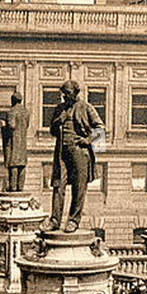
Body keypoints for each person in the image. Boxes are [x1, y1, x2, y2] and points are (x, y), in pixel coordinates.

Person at [46, 80, 103, 234]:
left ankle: (73, 220)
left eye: (67, 94)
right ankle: (55, 220)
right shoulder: (60, 109)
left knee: (79, 187)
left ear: (75, 93)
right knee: (58, 185)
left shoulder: (86, 107)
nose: (64, 97)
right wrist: (59, 119)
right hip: (61, 152)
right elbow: (52, 130)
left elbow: (100, 128)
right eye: (63, 94)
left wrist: (88, 140)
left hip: (79, 151)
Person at [0, 90, 30, 191]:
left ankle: (13, 187)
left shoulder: (11, 111)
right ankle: (20, 187)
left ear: (13, 100)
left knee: (13, 165)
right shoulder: (26, 112)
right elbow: (27, 126)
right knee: (22, 165)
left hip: (13, 142)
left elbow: (11, 126)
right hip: (23, 142)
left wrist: (3, 127)